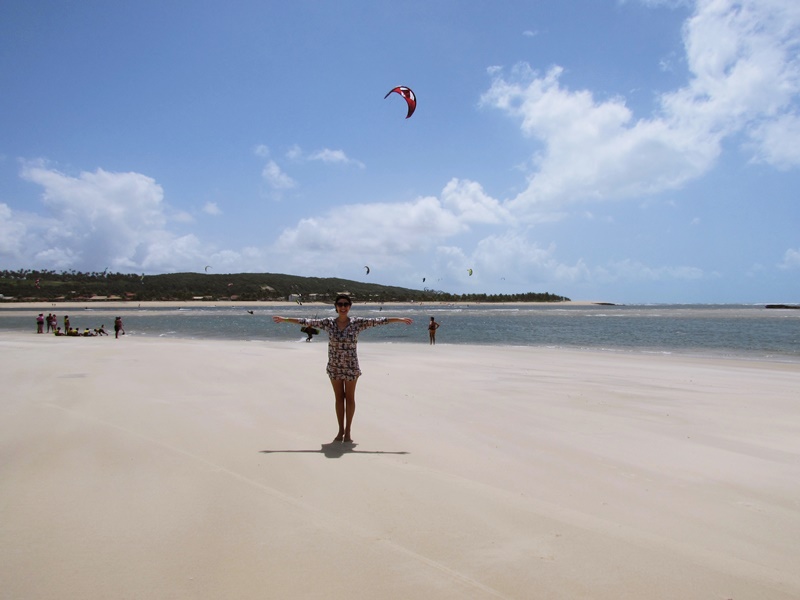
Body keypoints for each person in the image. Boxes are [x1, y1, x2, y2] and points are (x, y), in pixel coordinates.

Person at [273, 294, 412, 443]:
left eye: (346, 304)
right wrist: (285, 319)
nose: (343, 307)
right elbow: (307, 321)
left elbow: (379, 321)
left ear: (350, 307)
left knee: (350, 398)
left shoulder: (357, 323)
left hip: (351, 366)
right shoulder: (328, 323)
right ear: (336, 307)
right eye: (340, 304)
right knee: (339, 398)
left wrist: (399, 319)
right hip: (334, 366)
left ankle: (348, 431)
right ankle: (340, 430)